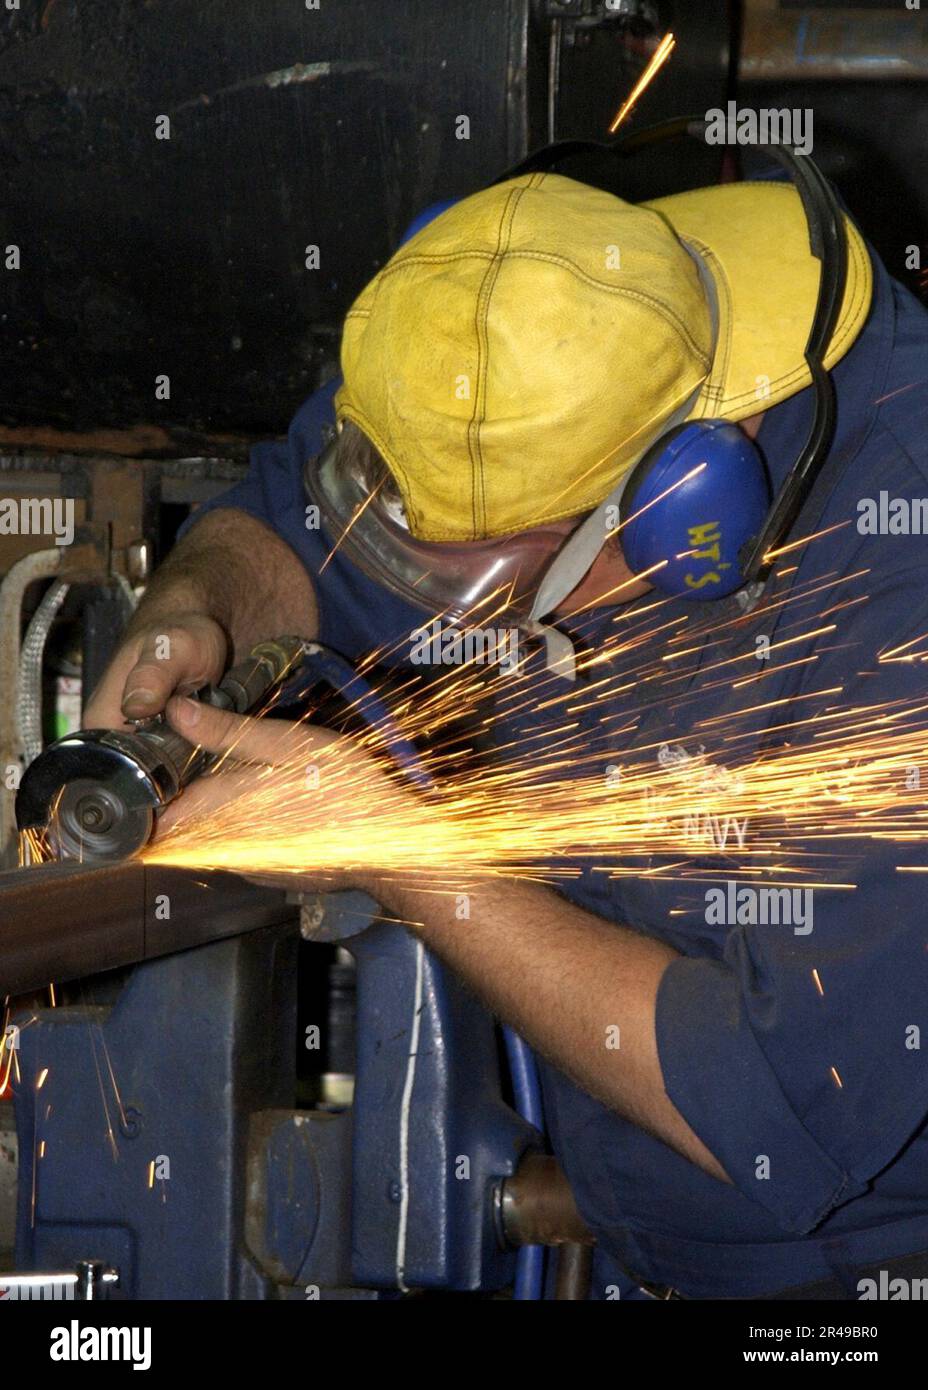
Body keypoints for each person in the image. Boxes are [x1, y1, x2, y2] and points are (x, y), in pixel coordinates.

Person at [86, 167, 928, 1299]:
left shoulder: (897, 591)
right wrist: (204, 605)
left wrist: (407, 857)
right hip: (618, 1214)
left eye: (495, 593)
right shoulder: (525, 322)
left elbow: (772, 1099)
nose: (458, 625)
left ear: (682, 514)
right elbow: (296, 513)